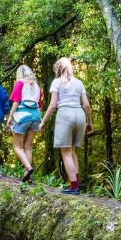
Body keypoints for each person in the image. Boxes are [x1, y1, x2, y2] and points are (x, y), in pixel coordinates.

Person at [38, 58, 92, 194]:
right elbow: (86, 105)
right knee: (72, 150)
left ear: (58, 69)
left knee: (66, 151)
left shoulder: (56, 82)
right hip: (80, 115)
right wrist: (89, 122)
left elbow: (53, 104)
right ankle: (77, 183)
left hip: (65, 115)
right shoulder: (79, 82)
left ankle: (73, 187)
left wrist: (43, 122)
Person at [6, 65, 44, 182]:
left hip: (23, 117)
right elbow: (40, 105)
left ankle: (28, 168)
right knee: (28, 147)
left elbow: (16, 101)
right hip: (36, 117)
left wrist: (10, 117)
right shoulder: (38, 87)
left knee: (17, 147)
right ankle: (28, 176)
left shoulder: (20, 83)